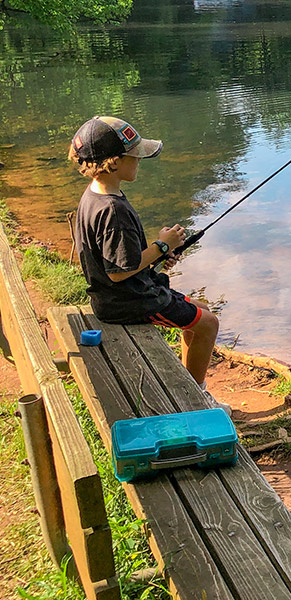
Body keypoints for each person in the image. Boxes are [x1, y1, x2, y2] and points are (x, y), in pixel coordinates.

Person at [68, 116, 229, 414]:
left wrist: (156, 255)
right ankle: (193, 401)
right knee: (209, 324)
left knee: (202, 311)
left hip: (116, 296)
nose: (140, 161)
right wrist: (161, 246)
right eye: (135, 156)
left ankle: (190, 385)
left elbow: (115, 257)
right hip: (128, 302)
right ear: (113, 163)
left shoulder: (95, 196)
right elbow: (119, 273)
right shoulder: (113, 210)